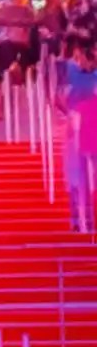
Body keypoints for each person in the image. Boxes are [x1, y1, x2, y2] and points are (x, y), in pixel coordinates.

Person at [61, 35, 97, 233]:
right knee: (76, 175)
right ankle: (77, 218)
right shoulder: (68, 70)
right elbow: (58, 97)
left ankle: (89, 218)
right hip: (75, 127)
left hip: (93, 127)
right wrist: (70, 113)